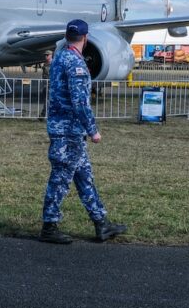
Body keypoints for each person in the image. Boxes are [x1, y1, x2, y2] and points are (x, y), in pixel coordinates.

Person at [39, 19, 127, 244]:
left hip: (67, 130)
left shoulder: (59, 58)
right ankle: (49, 226)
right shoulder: (75, 64)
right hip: (68, 131)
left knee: (84, 177)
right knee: (60, 178)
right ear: (86, 38)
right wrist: (93, 130)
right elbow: (80, 103)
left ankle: (101, 223)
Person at [39, 49, 53, 119]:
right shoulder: (45, 64)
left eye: (47, 55)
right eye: (45, 55)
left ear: (51, 55)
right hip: (45, 84)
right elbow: (44, 75)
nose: (46, 56)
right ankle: (44, 114)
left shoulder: (54, 63)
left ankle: (43, 115)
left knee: (48, 100)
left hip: (52, 84)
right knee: (46, 100)